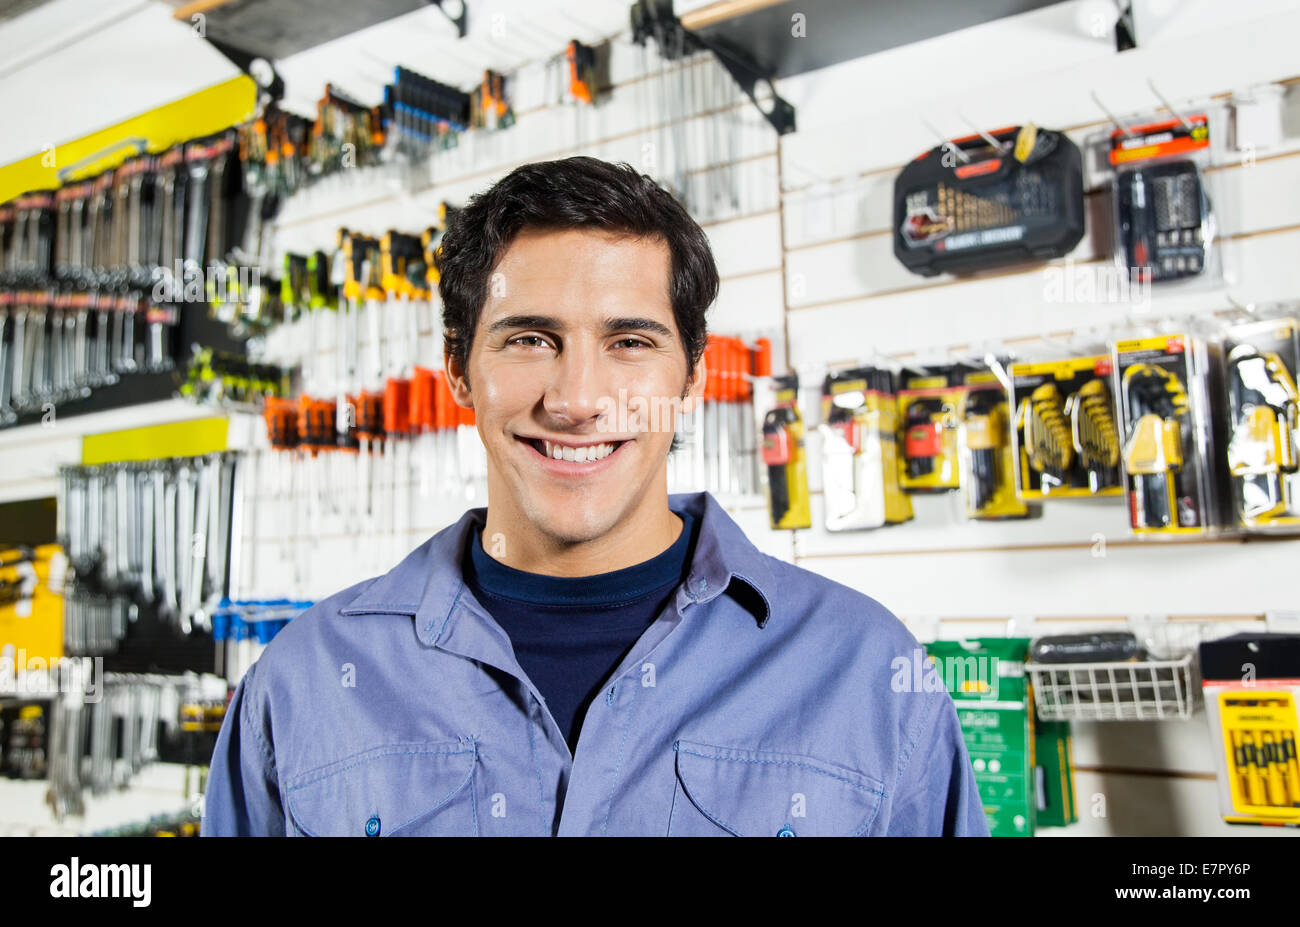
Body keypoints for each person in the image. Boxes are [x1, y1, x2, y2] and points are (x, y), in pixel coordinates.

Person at [201, 156, 988, 836]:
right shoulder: (302, 684)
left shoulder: (866, 672)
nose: (577, 399)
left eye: (630, 342)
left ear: (693, 377)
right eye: (529, 339)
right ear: (457, 369)